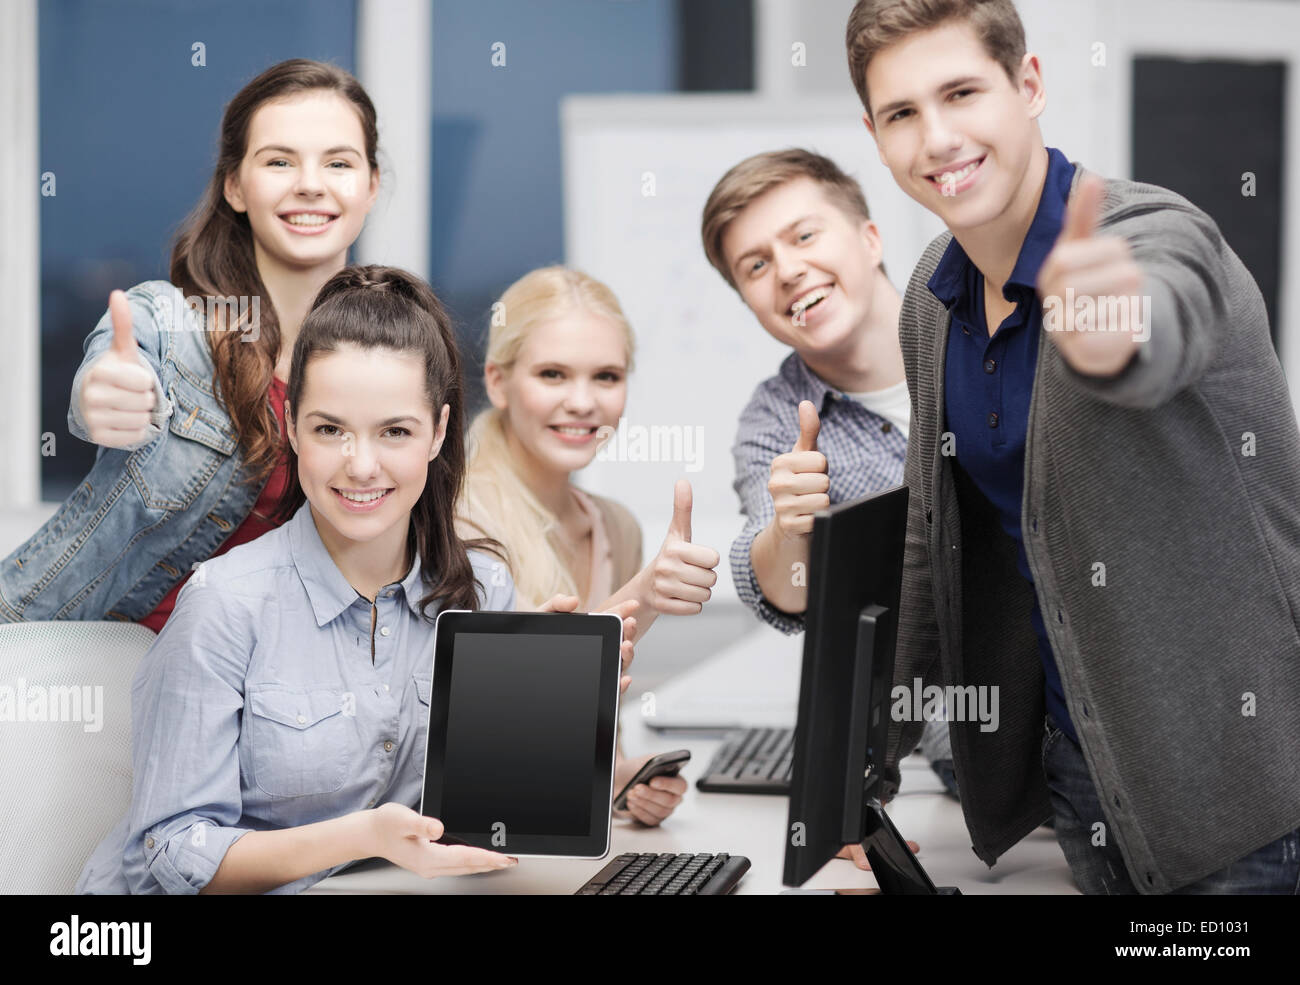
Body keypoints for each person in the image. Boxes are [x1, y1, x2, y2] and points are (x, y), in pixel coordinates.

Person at [848, 0, 1300, 893]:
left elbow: (1161, 316)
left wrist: (1109, 332)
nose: (936, 138)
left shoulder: (1155, 234)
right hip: (1082, 782)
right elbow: (927, 549)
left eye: (962, 93)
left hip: (1239, 801)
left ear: (1029, 85)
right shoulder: (931, 301)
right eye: (902, 113)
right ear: (874, 132)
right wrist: (857, 776)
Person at [75, 266, 640, 895]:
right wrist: (364, 836)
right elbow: (175, 857)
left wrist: (551, 712)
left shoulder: (482, 589)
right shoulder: (224, 605)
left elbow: (495, 822)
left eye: (395, 431)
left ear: (439, 432)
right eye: (330, 429)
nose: (361, 465)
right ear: (291, 427)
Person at [1, 59, 380, 629]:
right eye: (279, 160)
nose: (310, 183)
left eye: (338, 162)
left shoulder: (389, 356)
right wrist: (106, 397)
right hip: (109, 672)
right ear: (235, 186)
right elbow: (112, 370)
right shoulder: (174, 322)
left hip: (285, 699)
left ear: (371, 185)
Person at [700, 150, 959, 808]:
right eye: (754, 265)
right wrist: (791, 532)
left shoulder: (987, 332)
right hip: (972, 751)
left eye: (805, 235)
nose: (787, 271)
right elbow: (784, 592)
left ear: (870, 239)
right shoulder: (773, 421)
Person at [459, 265, 719, 826]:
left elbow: (579, 737)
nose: (583, 402)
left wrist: (617, 779)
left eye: (606, 376)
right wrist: (643, 595)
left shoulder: (617, 528)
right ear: (499, 383)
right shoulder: (454, 521)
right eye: (552, 374)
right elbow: (489, 744)